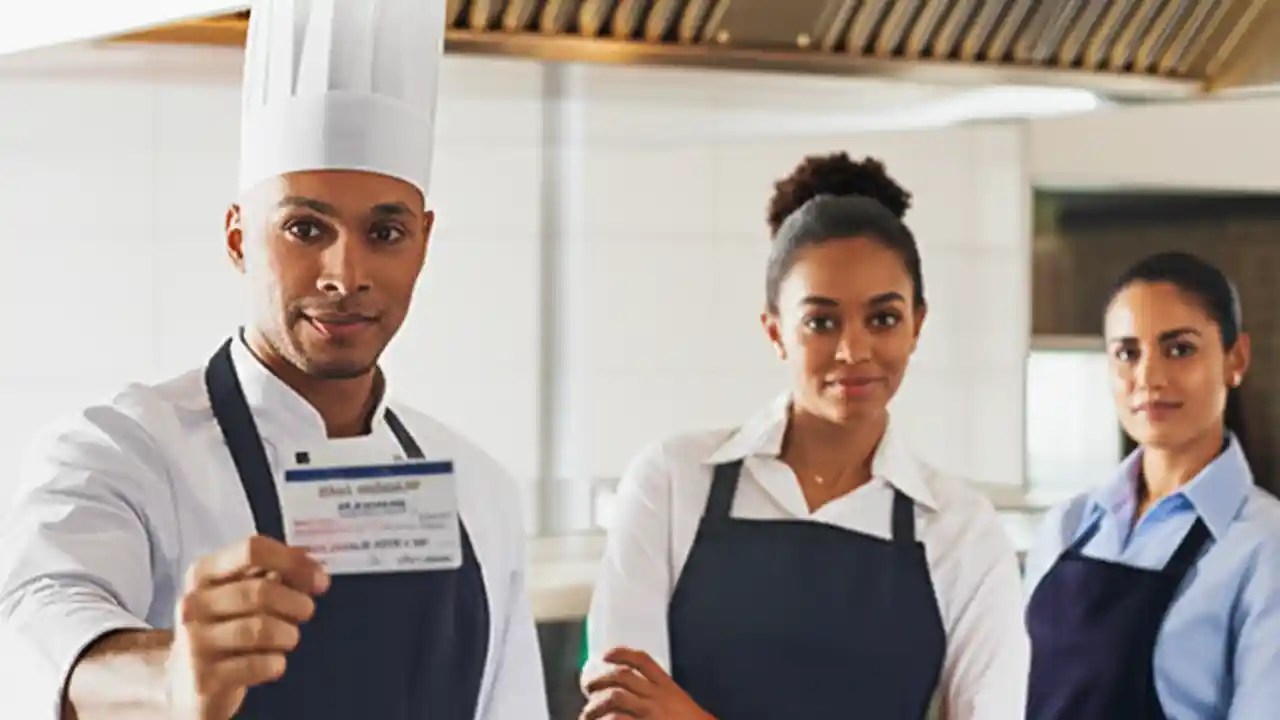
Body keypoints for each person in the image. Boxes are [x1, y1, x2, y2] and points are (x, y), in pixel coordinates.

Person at [0, 1, 548, 718]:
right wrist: (169, 675)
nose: (344, 274)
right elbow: (40, 621)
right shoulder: (125, 451)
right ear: (237, 238)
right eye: (304, 227)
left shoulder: (479, 489)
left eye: (385, 231)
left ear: (423, 242)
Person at [579, 152, 1028, 720]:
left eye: (883, 318)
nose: (853, 350)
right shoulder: (671, 482)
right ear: (775, 331)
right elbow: (623, 707)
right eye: (821, 321)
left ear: (917, 324)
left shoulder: (962, 530)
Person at [1024, 251, 1280, 719]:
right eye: (1127, 353)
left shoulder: (1265, 547)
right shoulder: (1068, 525)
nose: (1149, 377)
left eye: (1179, 349)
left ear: (1235, 359)